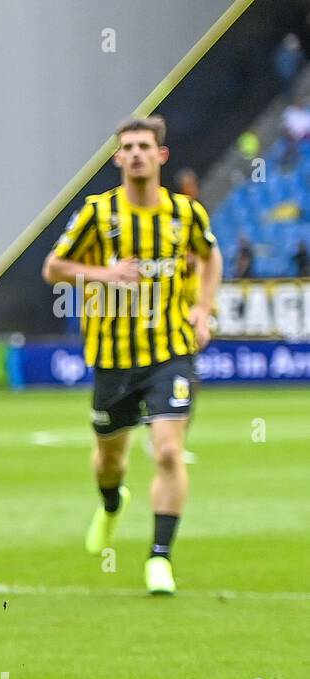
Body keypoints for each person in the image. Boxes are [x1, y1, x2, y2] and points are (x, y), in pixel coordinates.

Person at [43, 115, 222, 596]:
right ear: (118, 158)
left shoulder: (185, 213)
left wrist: (204, 309)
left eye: (145, 146)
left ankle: (160, 557)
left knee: (168, 450)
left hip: (171, 351)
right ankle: (110, 503)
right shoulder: (98, 213)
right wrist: (105, 274)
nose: (137, 154)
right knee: (110, 460)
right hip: (113, 357)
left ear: (161, 155)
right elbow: (53, 268)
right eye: (129, 147)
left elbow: (210, 256)